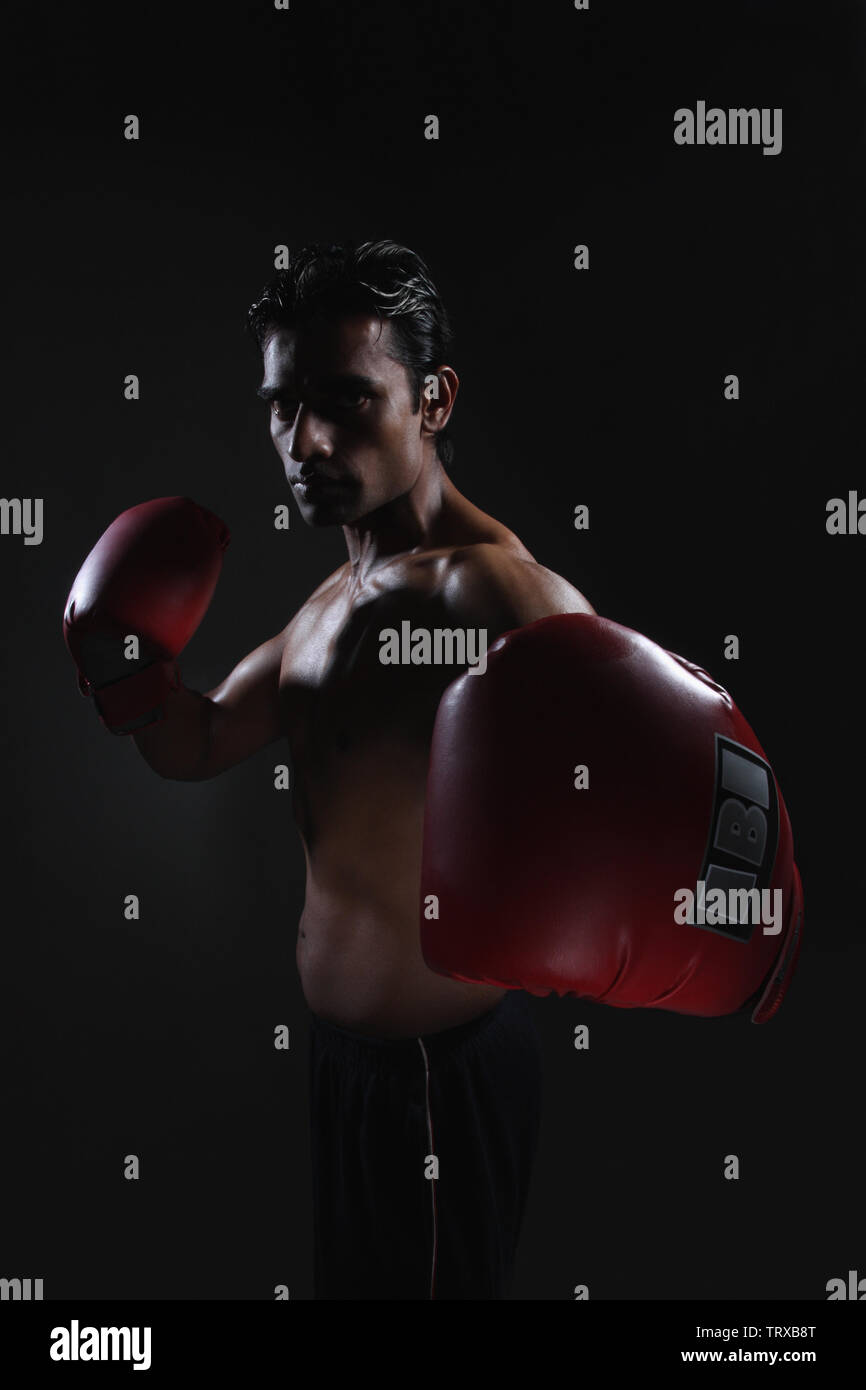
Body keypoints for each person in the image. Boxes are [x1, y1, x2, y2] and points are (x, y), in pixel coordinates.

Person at [64, 241, 596, 1299]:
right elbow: (201, 739)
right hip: (346, 1070)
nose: (303, 440)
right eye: (282, 405)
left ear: (432, 399)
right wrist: (128, 674)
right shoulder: (336, 600)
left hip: (436, 1080)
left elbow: (619, 759)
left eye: (346, 399)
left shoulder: (494, 596)